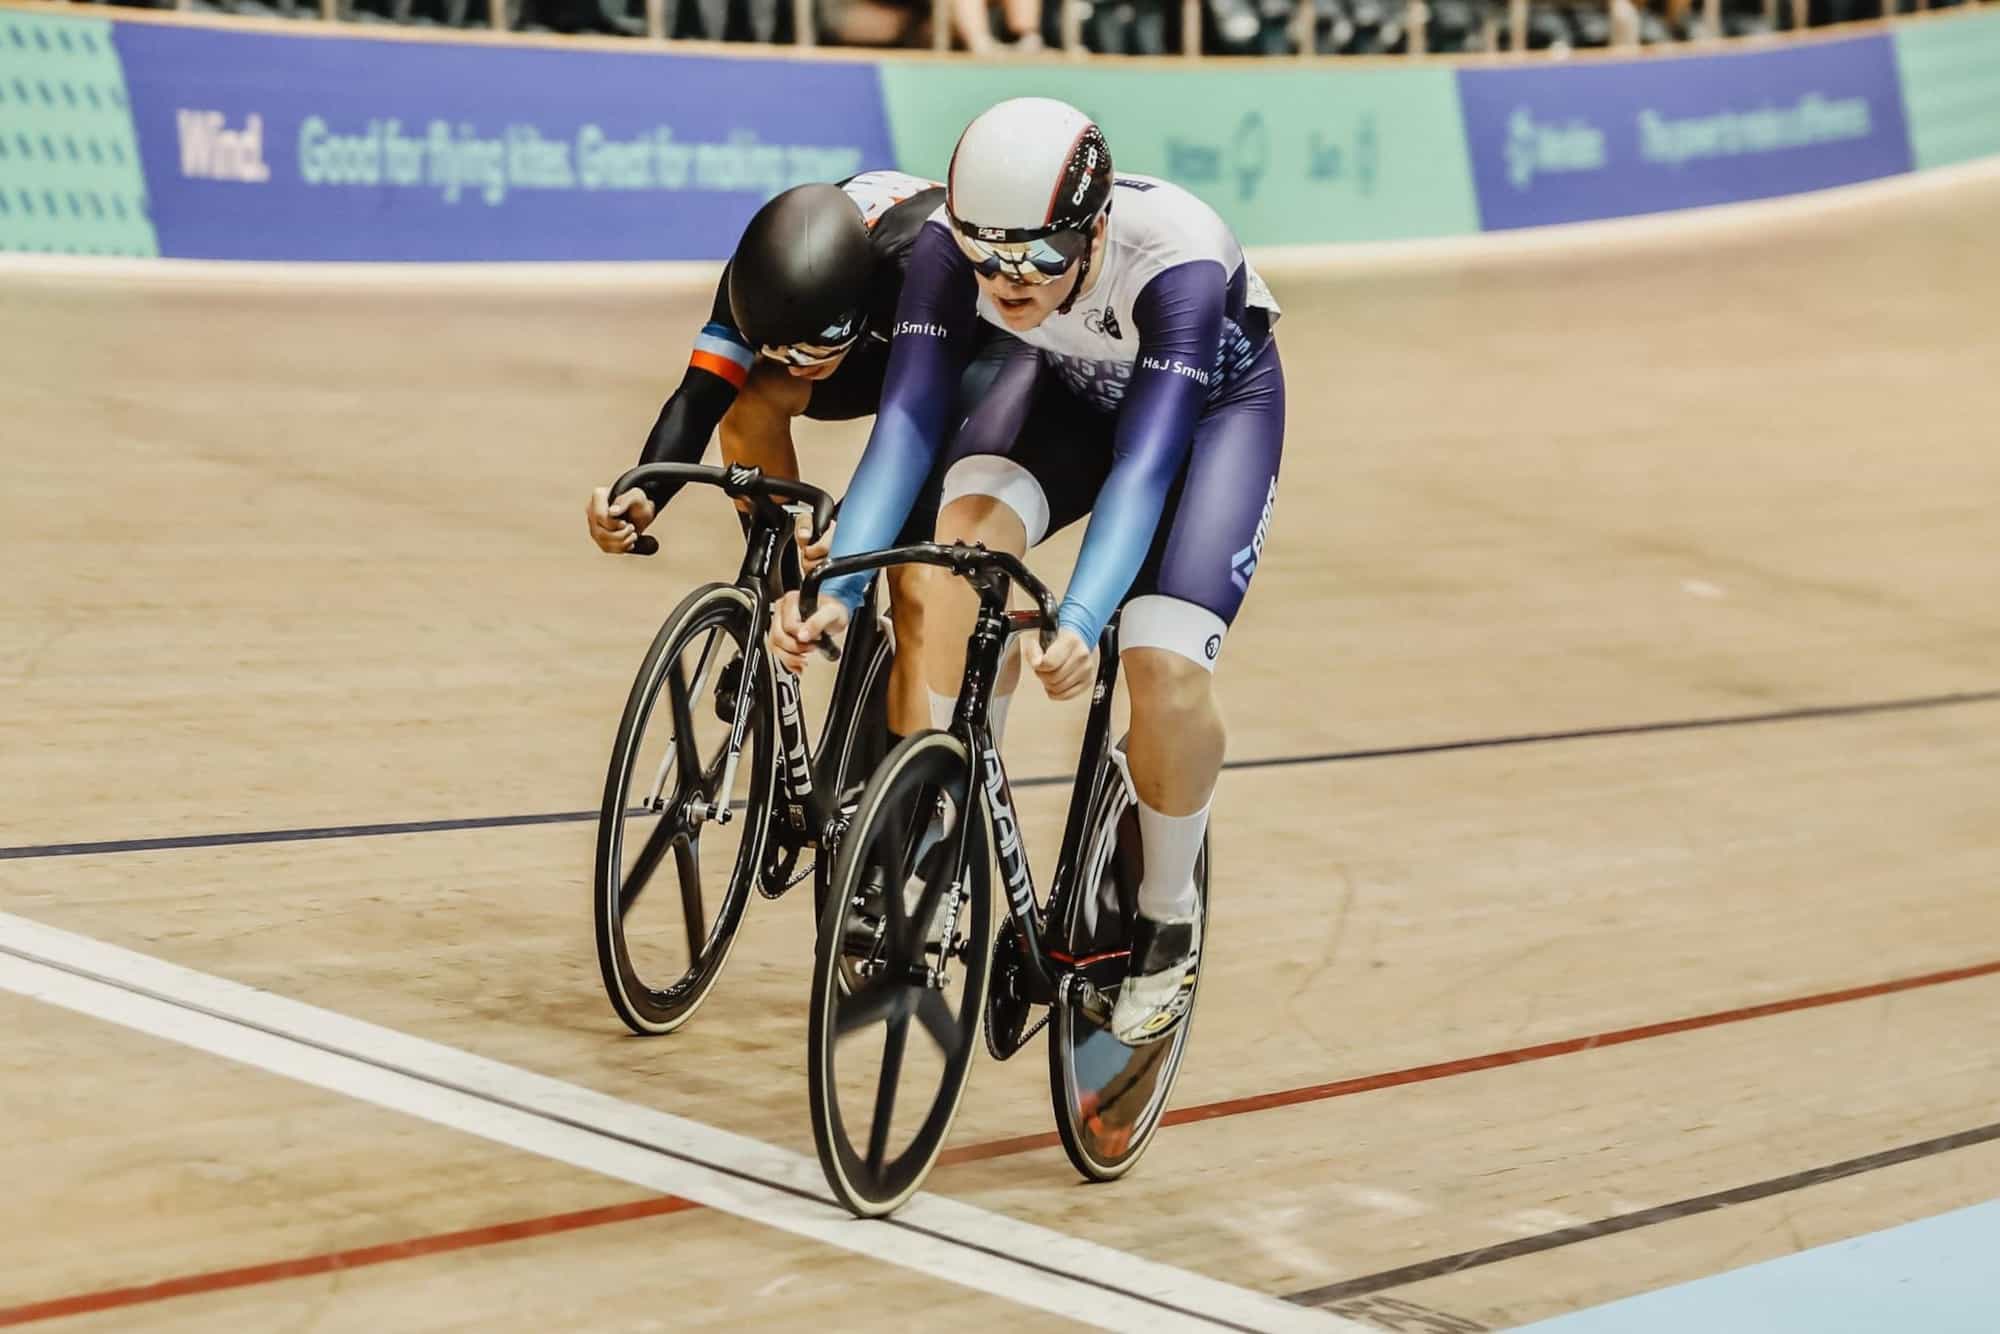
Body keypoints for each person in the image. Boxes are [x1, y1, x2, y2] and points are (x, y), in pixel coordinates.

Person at [769, 98, 1285, 1045]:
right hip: (1068, 394)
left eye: (1045, 256)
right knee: (959, 549)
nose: (1012, 281)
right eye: (987, 253)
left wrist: (1081, 618)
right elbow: (907, 428)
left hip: (1211, 420)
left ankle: (1167, 916)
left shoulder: (1175, 264)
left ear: (1095, 229)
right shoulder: (947, 251)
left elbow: (1145, 468)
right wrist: (838, 590)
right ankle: (954, 825)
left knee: (1162, 663)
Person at [587, 171, 1028, 738]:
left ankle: (913, 779)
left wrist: (856, 528)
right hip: (865, 339)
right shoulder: (757, 283)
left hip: (968, 356)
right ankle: (780, 589)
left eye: (810, 349)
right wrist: (644, 495)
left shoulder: (911, 266)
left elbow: (915, 429)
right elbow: (700, 396)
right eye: (779, 349)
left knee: (917, 584)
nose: (794, 365)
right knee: (750, 393)